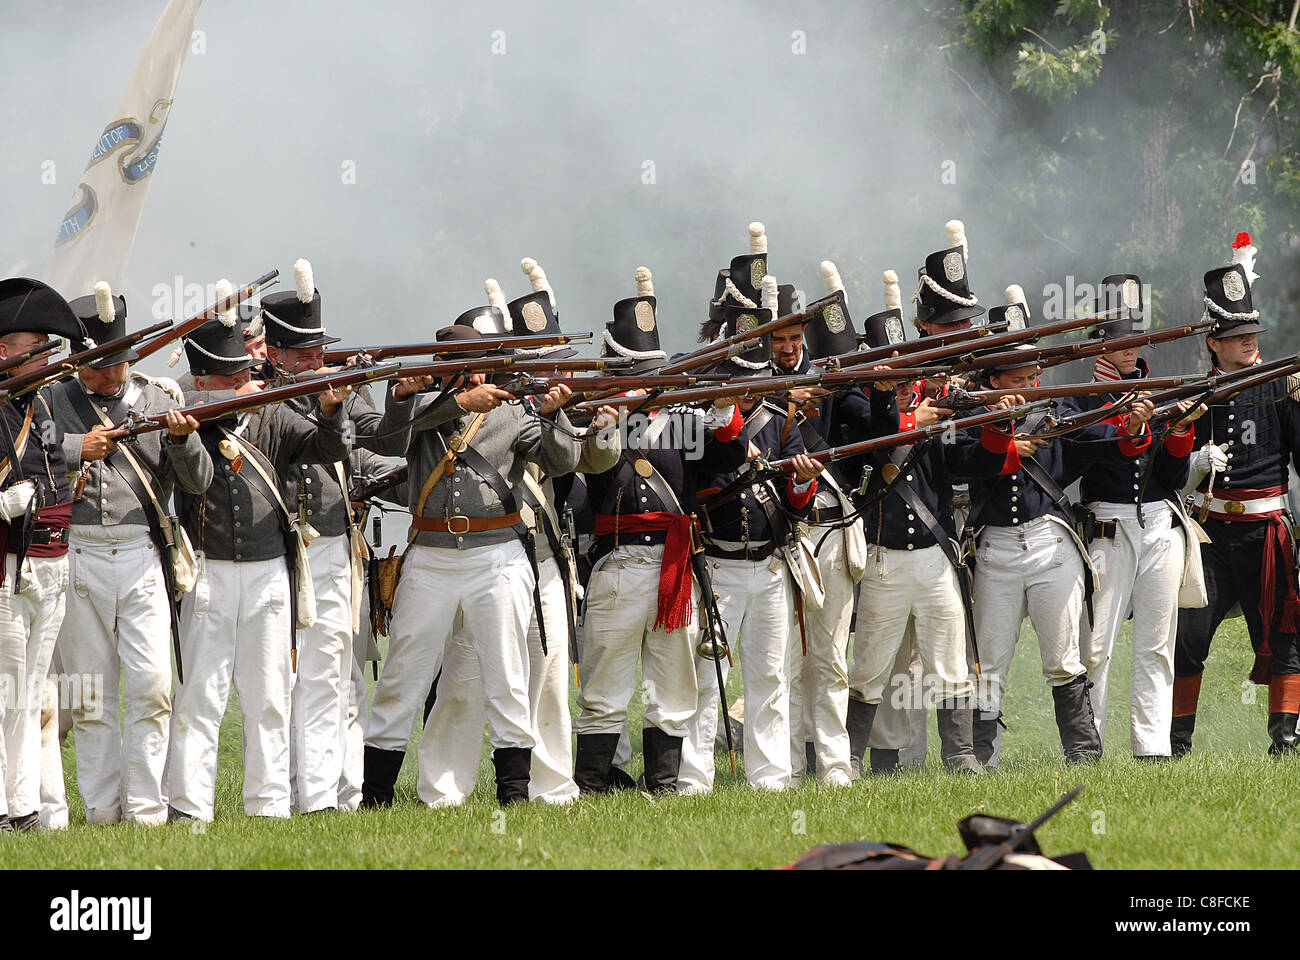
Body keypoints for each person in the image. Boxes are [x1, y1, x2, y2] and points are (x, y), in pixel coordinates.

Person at [362, 323, 580, 807]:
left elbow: (563, 462)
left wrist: (555, 415)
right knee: (402, 677)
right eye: (469, 365)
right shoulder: (422, 406)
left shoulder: (514, 411)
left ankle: (514, 795)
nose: (479, 374)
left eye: (485, 364)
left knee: (507, 677)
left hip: (497, 555)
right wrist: (455, 404)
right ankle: (375, 796)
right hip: (431, 556)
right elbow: (387, 441)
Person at [166, 314, 354, 822]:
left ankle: (269, 805)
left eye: (245, 374)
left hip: (271, 569)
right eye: (231, 379)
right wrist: (185, 439)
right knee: (201, 695)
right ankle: (189, 807)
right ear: (203, 382)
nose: (244, 383)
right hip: (209, 570)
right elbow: (197, 483)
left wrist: (333, 412)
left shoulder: (271, 413)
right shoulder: (186, 418)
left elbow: (328, 448)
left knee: (270, 696)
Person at [961, 288, 1153, 765]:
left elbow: (1109, 443)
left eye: (1034, 374)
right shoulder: (968, 419)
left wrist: (1133, 430)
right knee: (990, 664)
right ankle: (981, 760)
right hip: (994, 550)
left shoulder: (1061, 412)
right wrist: (1002, 438)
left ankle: (1084, 753)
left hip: (1051, 545)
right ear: (994, 378)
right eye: (1020, 376)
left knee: (1064, 659)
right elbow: (959, 464)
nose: (1031, 382)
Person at [574, 268, 747, 794]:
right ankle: (593, 780)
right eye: (635, 374)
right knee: (604, 686)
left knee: (673, 685)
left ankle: (664, 783)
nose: (646, 384)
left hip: (675, 567)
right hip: (620, 567)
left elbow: (728, 455)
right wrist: (609, 420)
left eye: (651, 373)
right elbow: (595, 463)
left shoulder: (683, 423)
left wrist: (722, 407)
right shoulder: (597, 423)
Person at [260, 258, 420, 814]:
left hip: (329, 544)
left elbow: (387, 442)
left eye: (317, 350)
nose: (314, 361)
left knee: (330, 671)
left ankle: (327, 796)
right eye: (302, 353)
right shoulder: (254, 394)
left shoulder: (343, 394)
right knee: (274, 678)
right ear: (274, 353)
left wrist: (398, 398)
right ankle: (282, 793)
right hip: (269, 549)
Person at [53, 282, 212, 826]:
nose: (108, 376)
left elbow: (197, 483)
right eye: (96, 366)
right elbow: (26, 453)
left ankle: (146, 809)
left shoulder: (158, 399)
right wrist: (78, 449)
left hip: (141, 552)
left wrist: (183, 441)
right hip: (78, 554)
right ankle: (101, 810)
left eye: (115, 364)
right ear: (78, 363)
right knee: (91, 693)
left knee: (152, 688)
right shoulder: (53, 402)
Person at [678, 297, 823, 794]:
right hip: (717, 563)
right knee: (705, 677)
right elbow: (702, 477)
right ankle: (695, 779)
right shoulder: (702, 424)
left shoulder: (782, 421)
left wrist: (803, 483)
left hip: (770, 564)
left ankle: (771, 778)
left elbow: (797, 503)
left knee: (772, 678)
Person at [771, 263, 899, 782]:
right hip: (777, 533)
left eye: (794, 336)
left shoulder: (829, 378)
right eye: (778, 338)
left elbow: (883, 435)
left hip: (827, 529)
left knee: (828, 657)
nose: (787, 347)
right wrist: (784, 405)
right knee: (781, 660)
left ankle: (831, 762)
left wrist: (885, 389)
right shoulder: (752, 387)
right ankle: (784, 764)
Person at [1173, 242, 1300, 756]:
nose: (1247, 343)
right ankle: (1175, 741)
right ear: (1214, 343)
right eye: (1236, 336)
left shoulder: (1284, 387)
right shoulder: (1194, 392)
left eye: (1251, 334)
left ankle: (1285, 740)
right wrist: (1193, 465)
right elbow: (1168, 473)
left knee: (1284, 634)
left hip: (1267, 529)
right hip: (1209, 532)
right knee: (1188, 636)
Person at [1071, 275, 1201, 759]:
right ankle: (1091, 743)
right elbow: (1086, 456)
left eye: (1136, 341)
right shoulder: (1082, 399)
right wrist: (1126, 428)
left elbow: (1173, 473)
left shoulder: (1157, 390)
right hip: (1107, 526)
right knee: (1096, 646)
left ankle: (1152, 746)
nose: (1131, 351)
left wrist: (1180, 432)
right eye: (1120, 342)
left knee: (1156, 644)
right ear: (1101, 346)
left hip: (1159, 526)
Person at [0, 278, 88, 833]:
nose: (45, 360)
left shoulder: (40, 406)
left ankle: (24, 805)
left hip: (51, 560)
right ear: (3, 352)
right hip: (9, 567)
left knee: (31, 696)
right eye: (35, 348)